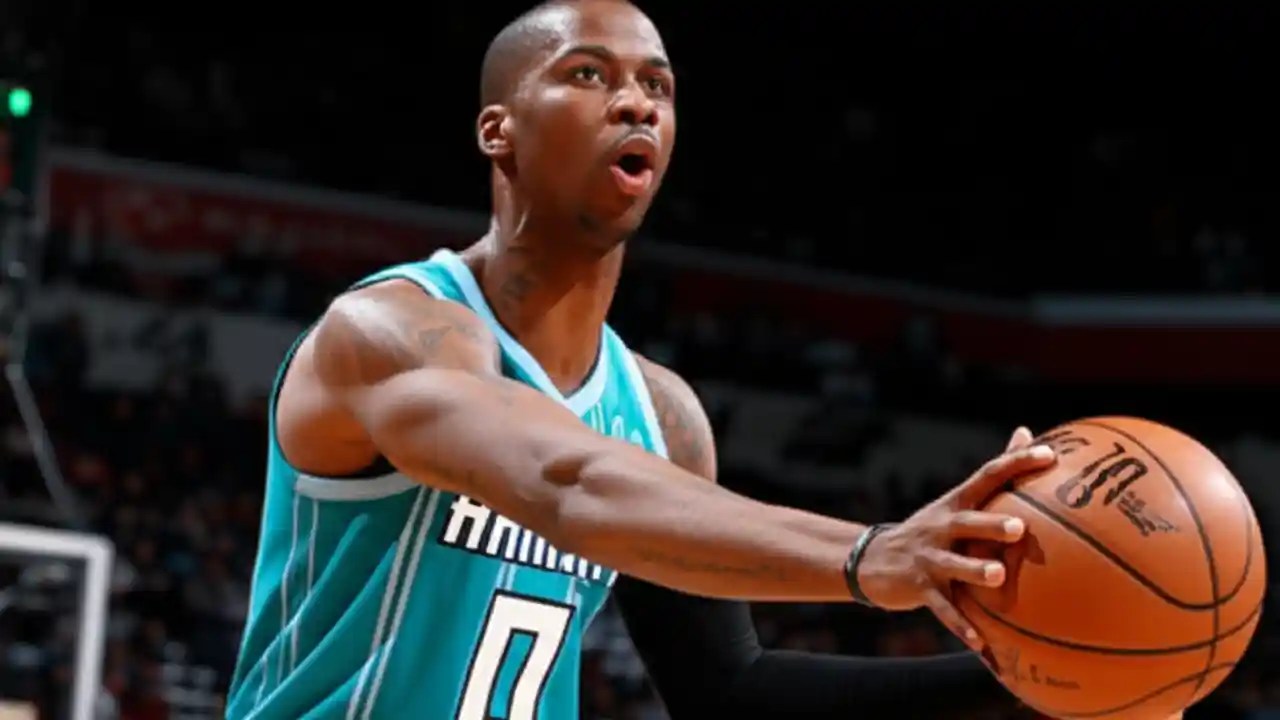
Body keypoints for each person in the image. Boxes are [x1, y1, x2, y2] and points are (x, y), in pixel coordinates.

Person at [224, 1, 1159, 718]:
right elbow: (569, 483)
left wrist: (1052, 674)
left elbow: (730, 694)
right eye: (588, 74)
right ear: (496, 131)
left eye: (657, 86)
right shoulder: (389, 333)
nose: (634, 100)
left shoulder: (661, 416)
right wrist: (872, 556)